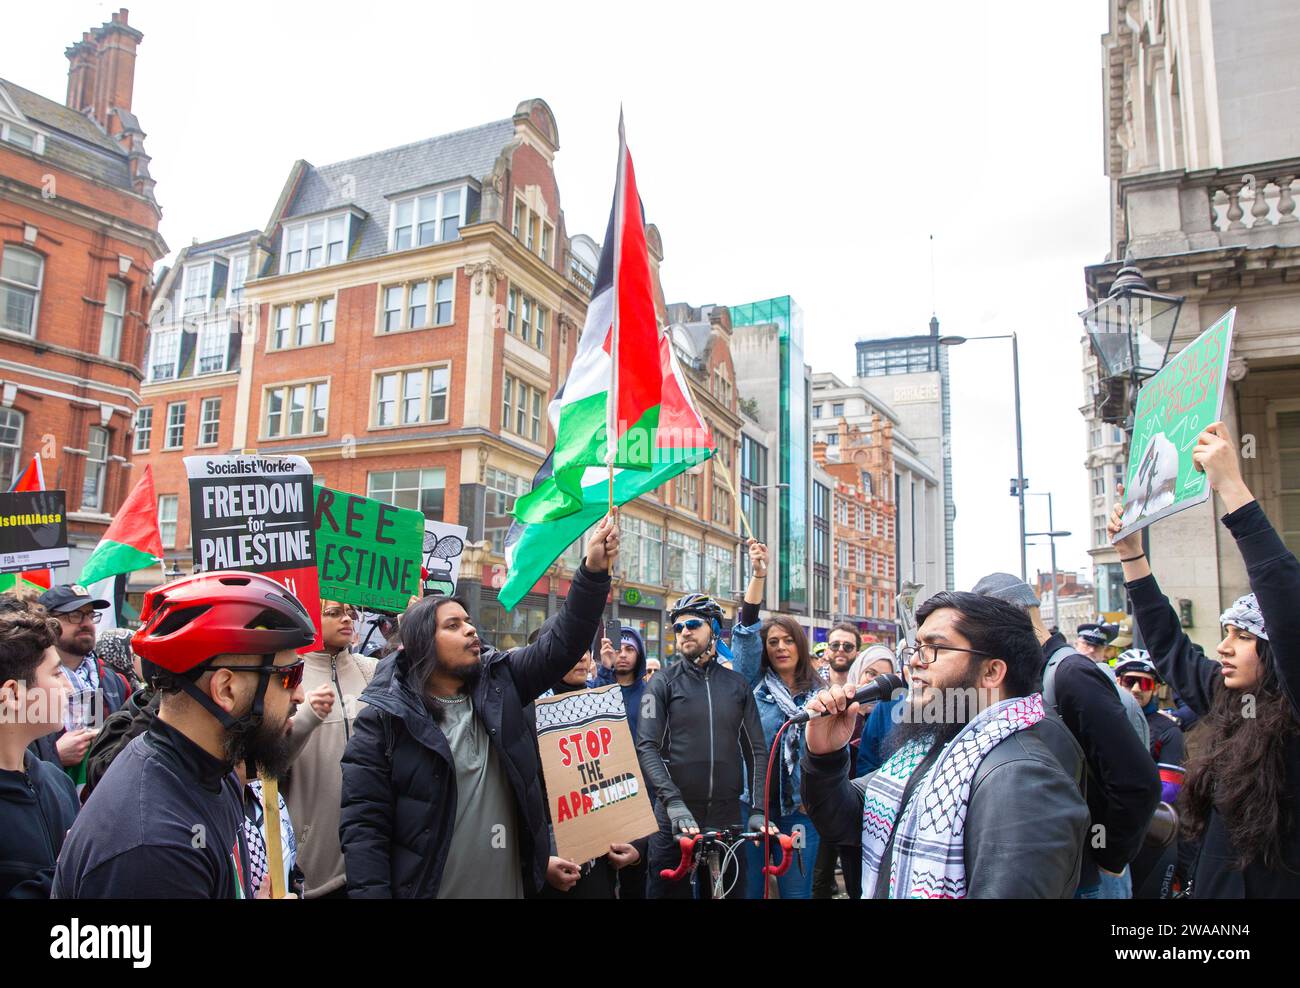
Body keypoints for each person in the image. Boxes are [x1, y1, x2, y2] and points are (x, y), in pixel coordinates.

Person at [339, 514, 618, 898]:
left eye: (468, 621)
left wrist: (592, 572)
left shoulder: (500, 683)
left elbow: (563, 644)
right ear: (421, 642)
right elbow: (363, 829)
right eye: (452, 625)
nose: (470, 629)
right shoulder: (383, 720)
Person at [1110, 421, 1300, 897]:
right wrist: (1133, 557)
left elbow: (1285, 602)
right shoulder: (1231, 700)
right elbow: (1170, 647)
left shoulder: (1293, 713)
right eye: (1225, 633)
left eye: (1242, 636)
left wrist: (1231, 486)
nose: (1223, 647)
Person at [802, 591, 1089, 898]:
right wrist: (826, 755)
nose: (914, 661)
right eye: (917, 648)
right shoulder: (937, 743)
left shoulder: (1025, 777)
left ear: (992, 671)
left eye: (934, 648)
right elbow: (845, 819)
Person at [52, 571, 313, 898]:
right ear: (226, 688)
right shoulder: (155, 848)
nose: (300, 694)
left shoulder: (217, 774)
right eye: (290, 676)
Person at [972, 570, 1158, 899]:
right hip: (1059, 872)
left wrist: (1109, 856)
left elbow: (1136, 779)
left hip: (1090, 881)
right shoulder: (1034, 673)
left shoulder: (1071, 673)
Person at [637, 586, 770, 899]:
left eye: (693, 624)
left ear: (714, 630)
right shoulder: (661, 682)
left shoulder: (737, 685)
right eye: (678, 627)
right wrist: (672, 801)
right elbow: (647, 746)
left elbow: (756, 750)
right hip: (674, 816)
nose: (683, 632)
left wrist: (758, 808)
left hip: (726, 818)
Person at [531, 651, 646, 899]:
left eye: (586, 650)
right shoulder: (527, 711)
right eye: (573, 647)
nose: (582, 657)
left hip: (602, 868)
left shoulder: (604, 706)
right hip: (554, 869)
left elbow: (623, 780)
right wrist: (540, 863)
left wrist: (636, 845)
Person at [281, 599, 376, 898]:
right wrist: (306, 717)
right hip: (311, 868)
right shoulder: (288, 676)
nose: (346, 620)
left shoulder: (369, 671)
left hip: (367, 861)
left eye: (350, 613)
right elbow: (269, 765)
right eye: (333, 613)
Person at [0, 597, 78, 898]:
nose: (69, 688)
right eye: (57, 674)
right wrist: (68, 870)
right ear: (13, 694)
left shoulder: (58, 782)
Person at [742, 615, 822, 899]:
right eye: (773, 642)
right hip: (753, 809)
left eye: (788, 641)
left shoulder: (821, 695)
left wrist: (814, 799)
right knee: (752, 889)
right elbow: (743, 642)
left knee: (797, 892)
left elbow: (831, 757)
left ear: (800, 645)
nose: (781, 647)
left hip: (800, 811)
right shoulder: (753, 687)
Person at [31, 585, 130, 774]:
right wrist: (54, 755)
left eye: (90, 615)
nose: (86, 623)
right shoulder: (28, 682)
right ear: (47, 622)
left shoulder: (114, 681)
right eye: (74, 615)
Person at [1114, 649, 1186, 767]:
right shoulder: (1104, 719)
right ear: (1118, 682)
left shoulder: (1169, 731)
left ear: (1156, 688)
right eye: (1129, 681)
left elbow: (1169, 784)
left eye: (1145, 683)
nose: (1135, 689)